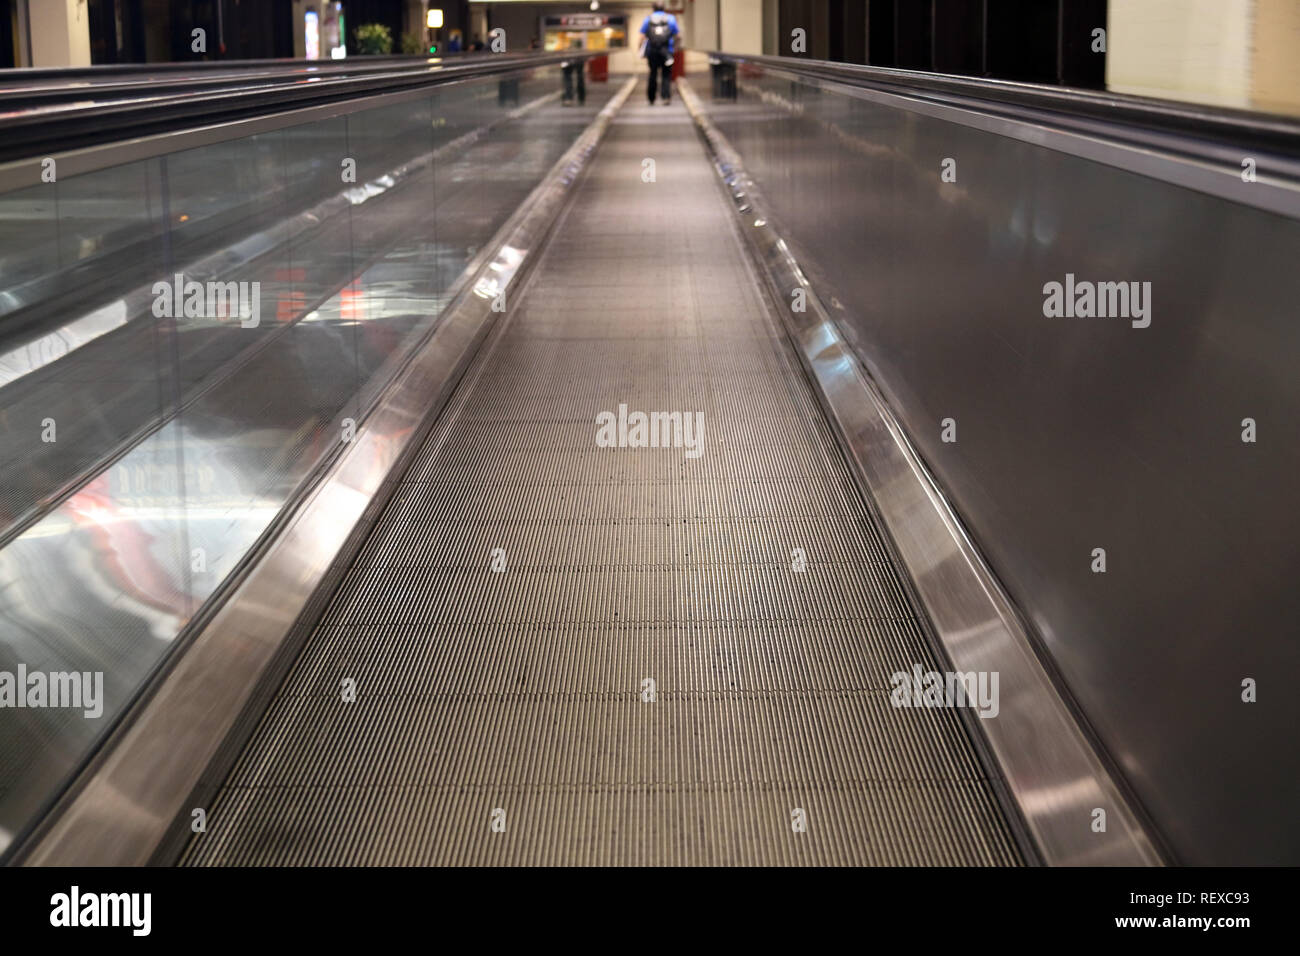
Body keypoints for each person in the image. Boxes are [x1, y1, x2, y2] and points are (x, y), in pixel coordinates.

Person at [638, 1, 679, 105]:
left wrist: (640, 50)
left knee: (653, 73)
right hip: (667, 51)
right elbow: (678, 36)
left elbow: (642, 37)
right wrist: (675, 48)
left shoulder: (648, 19)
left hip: (652, 52)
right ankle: (665, 97)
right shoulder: (671, 19)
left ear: (653, 8)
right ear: (664, 8)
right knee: (666, 74)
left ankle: (651, 98)